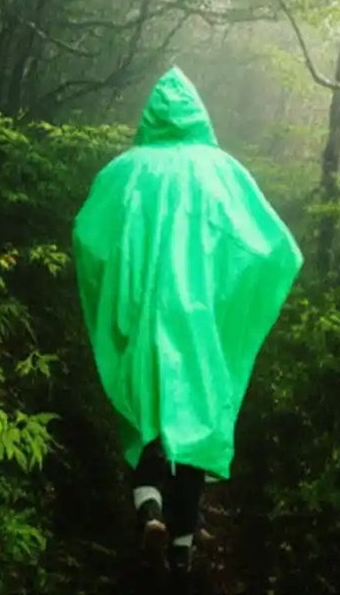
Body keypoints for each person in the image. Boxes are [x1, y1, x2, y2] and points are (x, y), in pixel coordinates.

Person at [72, 66, 304, 590]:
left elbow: (88, 235)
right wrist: (228, 298)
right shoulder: (223, 173)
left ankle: (148, 507)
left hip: (141, 317)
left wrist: (119, 285)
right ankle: (181, 552)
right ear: (198, 113)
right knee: (195, 426)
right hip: (200, 328)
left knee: (146, 414)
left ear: (152, 114)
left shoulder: (125, 171)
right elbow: (274, 248)